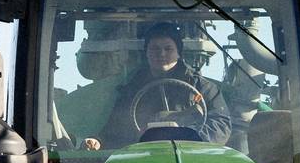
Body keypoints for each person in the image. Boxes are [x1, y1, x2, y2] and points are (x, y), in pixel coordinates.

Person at [99, 21, 232, 146]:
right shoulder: (131, 90)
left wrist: (189, 138)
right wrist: (98, 141)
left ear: (178, 53)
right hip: (145, 155)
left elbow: (221, 124)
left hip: (191, 155)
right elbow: (115, 127)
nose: (161, 54)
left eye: (168, 49)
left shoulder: (203, 88)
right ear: (146, 53)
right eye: (155, 49)